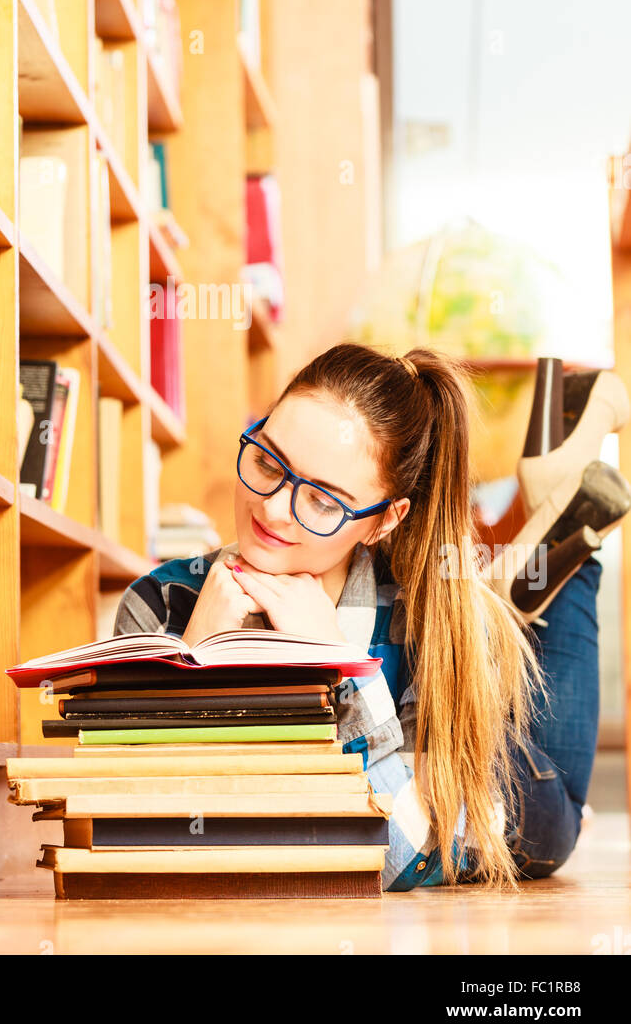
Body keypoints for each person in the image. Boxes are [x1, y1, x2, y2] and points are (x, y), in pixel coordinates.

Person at [114, 341, 620, 891]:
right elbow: (130, 833)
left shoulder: (423, 625)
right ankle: (511, 589)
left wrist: (341, 670)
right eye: (266, 460)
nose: (274, 509)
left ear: (384, 521)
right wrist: (193, 669)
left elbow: (413, 857)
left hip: (500, 786)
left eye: (324, 501)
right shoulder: (160, 604)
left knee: (561, 816)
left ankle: (567, 546)